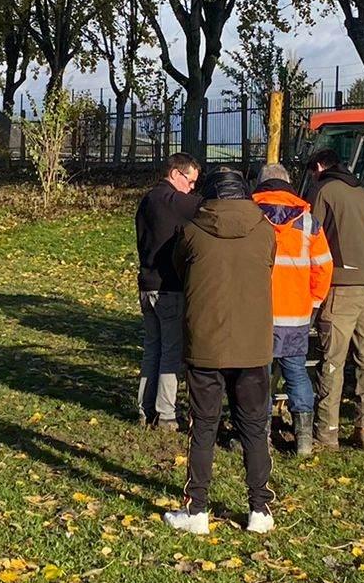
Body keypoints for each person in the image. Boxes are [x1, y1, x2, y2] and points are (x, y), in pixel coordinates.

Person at [164, 168, 278, 535]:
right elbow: (269, 266)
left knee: (203, 426)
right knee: (254, 427)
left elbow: (180, 269)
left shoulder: (192, 232)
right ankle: (259, 507)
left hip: (206, 345)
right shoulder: (265, 232)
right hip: (253, 344)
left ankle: (196, 508)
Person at [252, 163, 333, 455]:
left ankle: (259, 437)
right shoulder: (308, 221)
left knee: (257, 376)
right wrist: (312, 301)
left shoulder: (250, 216)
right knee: (296, 373)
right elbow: (324, 266)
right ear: (287, 184)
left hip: (258, 312)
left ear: (261, 183)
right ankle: (304, 441)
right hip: (296, 313)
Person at [308, 148, 364, 450]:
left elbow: (310, 234)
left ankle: (327, 432)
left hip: (342, 284)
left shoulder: (324, 190)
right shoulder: (363, 193)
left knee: (333, 361)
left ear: (318, 167)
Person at [135, 153, 202, 431]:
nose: (192, 188)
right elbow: (207, 206)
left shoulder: (148, 200)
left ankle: (144, 408)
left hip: (147, 285)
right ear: (175, 174)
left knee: (152, 348)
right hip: (169, 289)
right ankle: (165, 414)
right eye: (190, 181)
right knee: (171, 353)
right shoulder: (174, 201)